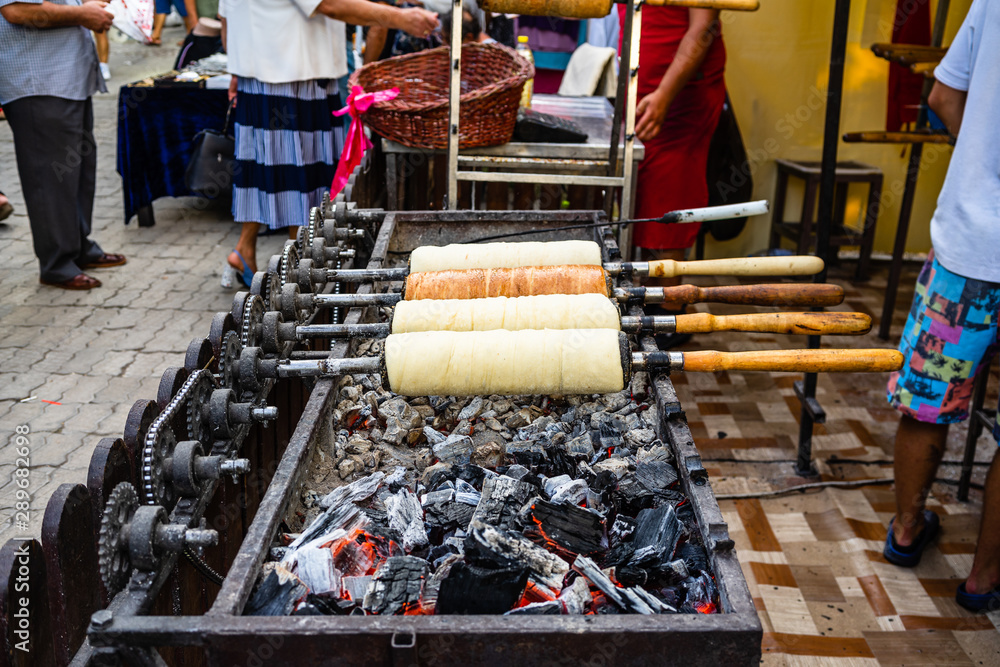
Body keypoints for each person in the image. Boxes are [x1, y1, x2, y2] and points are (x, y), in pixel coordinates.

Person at [884, 0, 999, 613]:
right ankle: (984, 579)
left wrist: (982, 162)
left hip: (970, 252)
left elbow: (943, 97)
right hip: (972, 246)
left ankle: (906, 531)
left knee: (927, 405)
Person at [219, 0, 438, 286]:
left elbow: (226, 18)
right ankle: (295, 276)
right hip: (293, 76)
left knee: (262, 166)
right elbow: (331, 4)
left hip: (257, 74)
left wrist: (239, 68)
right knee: (300, 179)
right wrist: (401, 18)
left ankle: (246, 249)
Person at [617, 6, 725, 348]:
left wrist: (664, 95)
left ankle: (670, 311)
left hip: (680, 93)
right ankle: (650, 296)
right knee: (647, 190)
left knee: (672, 188)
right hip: (644, 89)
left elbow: (703, 27)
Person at [0, 0, 127, 290]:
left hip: (67, 77)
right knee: (50, 178)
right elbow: (17, 10)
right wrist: (83, 14)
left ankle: (78, 246)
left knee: (77, 172)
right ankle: (57, 263)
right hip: (38, 81)